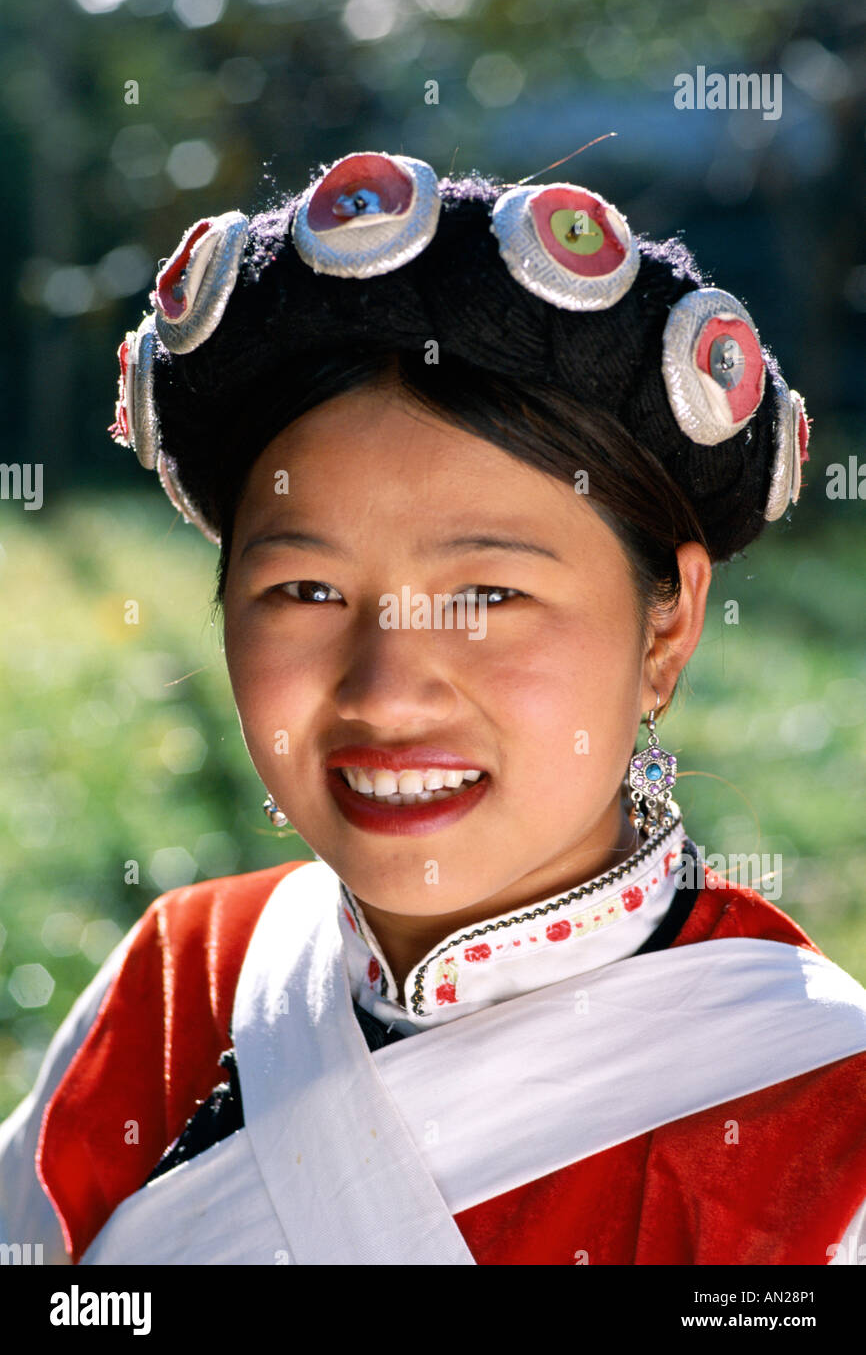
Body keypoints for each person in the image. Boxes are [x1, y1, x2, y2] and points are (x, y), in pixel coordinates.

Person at [1, 150, 865, 1267]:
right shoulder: (176, 983)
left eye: (488, 595)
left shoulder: (822, 1128)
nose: (385, 687)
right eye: (305, 590)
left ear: (665, 628)